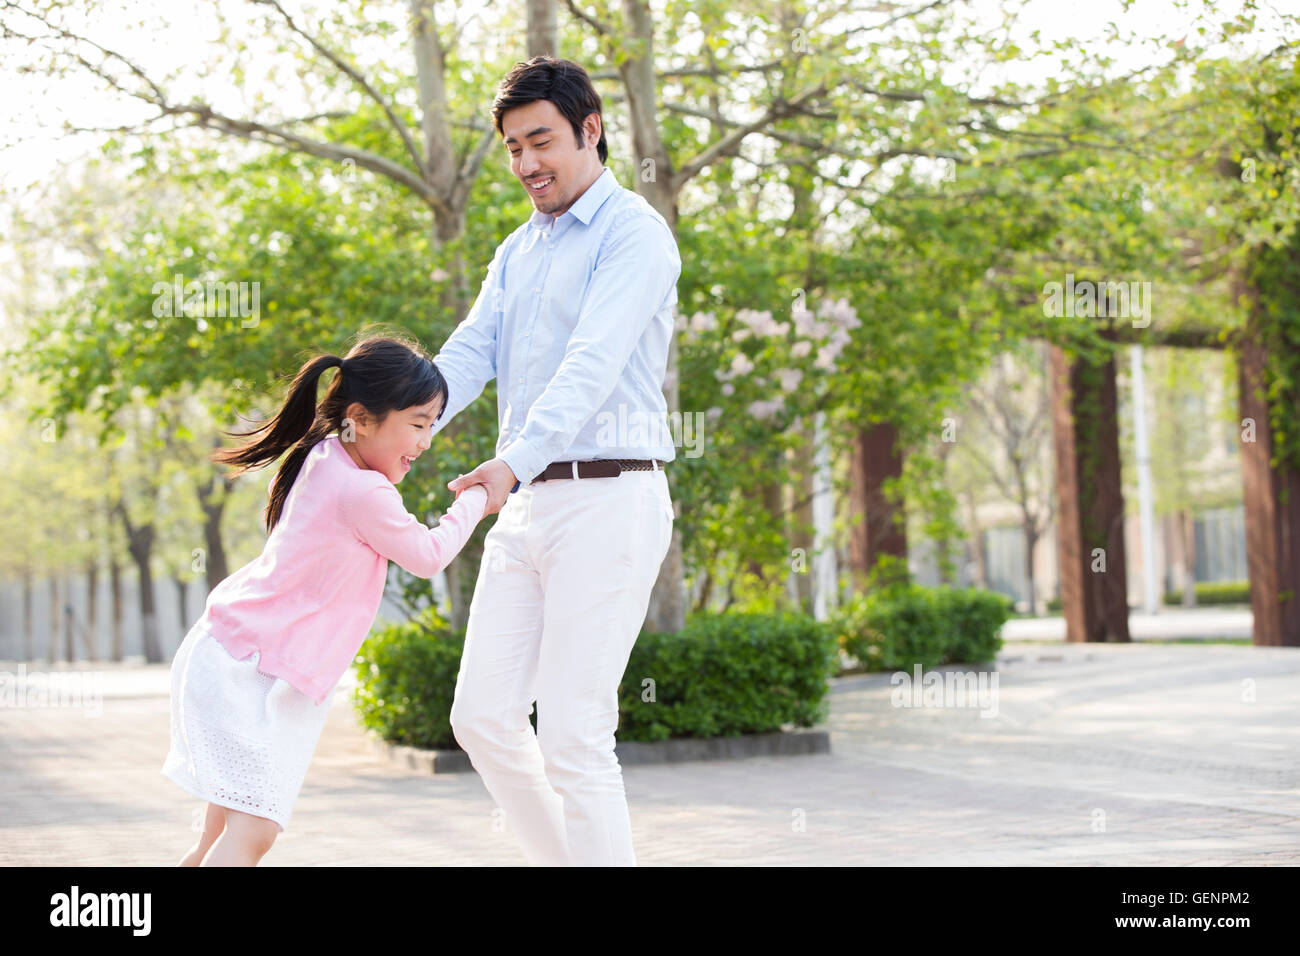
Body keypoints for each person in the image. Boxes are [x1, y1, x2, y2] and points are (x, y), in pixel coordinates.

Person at [430, 56, 681, 866]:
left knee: (575, 735)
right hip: (528, 503)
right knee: (481, 717)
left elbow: (591, 365)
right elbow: (470, 354)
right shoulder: (518, 251)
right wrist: (393, 424)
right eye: (512, 148)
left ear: (591, 129)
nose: (527, 163)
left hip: (609, 499)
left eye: (541, 141)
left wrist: (509, 463)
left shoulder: (634, 233)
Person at [161, 334, 489, 866]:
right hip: (245, 671)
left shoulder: (326, 455)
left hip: (231, 653)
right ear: (360, 417)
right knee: (257, 828)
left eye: (432, 424)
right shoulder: (363, 492)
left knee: (228, 821)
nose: (427, 441)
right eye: (419, 423)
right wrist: (476, 499)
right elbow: (429, 555)